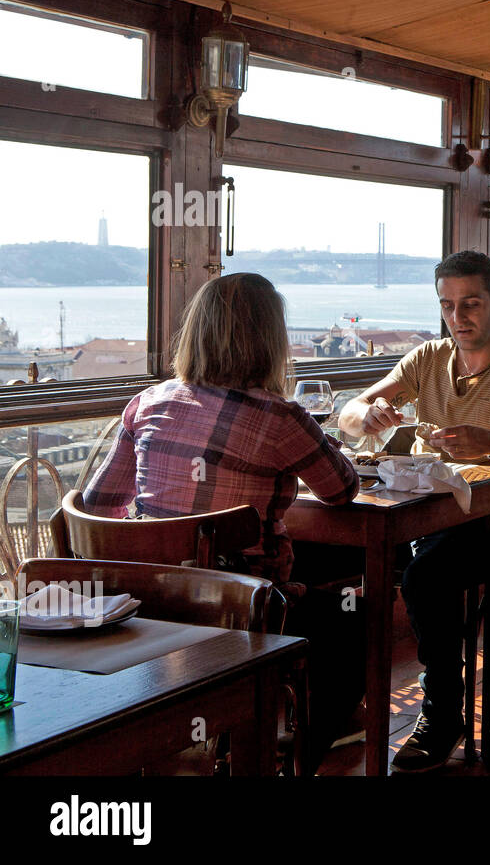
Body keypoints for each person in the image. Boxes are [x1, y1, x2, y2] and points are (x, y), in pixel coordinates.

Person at [82, 272, 362, 771]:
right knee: (351, 617)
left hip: (149, 607)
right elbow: (341, 490)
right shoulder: (283, 418)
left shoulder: (149, 403)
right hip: (242, 613)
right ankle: (301, 757)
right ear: (271, 340)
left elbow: (101, 506)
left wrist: (164, 546)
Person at [338, 249, 490, 773]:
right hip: (422, 513)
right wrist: (369, 414)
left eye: (471, 305)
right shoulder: (426, 359)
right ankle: (336, 705)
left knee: (425, 579)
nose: (457, 318)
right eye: (447, 306)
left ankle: (443, 713)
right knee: (332, 568)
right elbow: (348, 414)